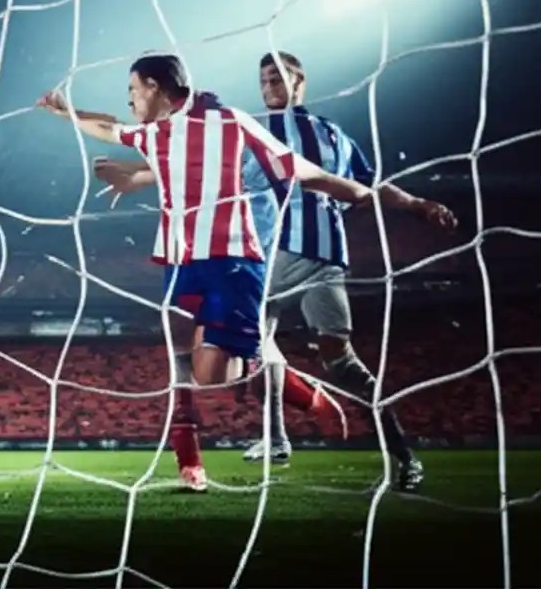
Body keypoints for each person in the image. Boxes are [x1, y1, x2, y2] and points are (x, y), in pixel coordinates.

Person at [95, 51, 456, 492]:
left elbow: (363, 185)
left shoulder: (333, 137)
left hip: (320, 258)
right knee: (234, 352)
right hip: (258, 258)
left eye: (278, 78)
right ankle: (270, 438)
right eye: (263, 79)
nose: (269, 86)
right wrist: (134, 177)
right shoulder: (241, 127)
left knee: (339, 362)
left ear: (299, 81)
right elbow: (186, 163)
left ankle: (401, 452)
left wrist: (416, 204)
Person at [39, 53, 374, 490]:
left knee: (214, 373)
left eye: (133, 91)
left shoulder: (229, 123)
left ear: (156, 87)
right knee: (186, 360)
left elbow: (303, 172)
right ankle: (192, 455)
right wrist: (67, 113)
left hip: (234, 260)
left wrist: (383, 197)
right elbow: (108, 129)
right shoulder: (157, 133)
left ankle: (295, 385)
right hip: (182, 262)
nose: (130, 102)